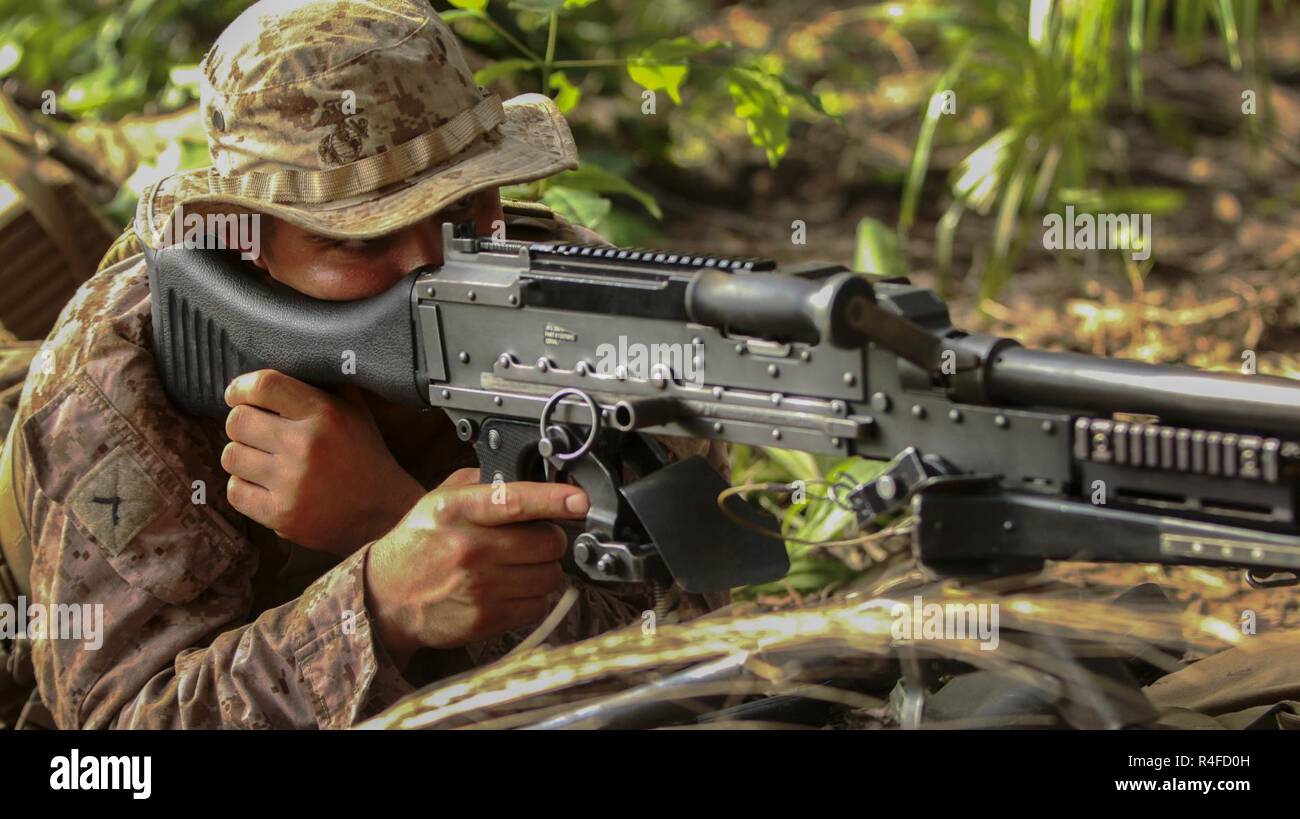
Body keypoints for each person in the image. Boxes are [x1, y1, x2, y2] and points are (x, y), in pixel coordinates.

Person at [0, 0, 723, 729]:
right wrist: (378, 600)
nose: (430, 268)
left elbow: (699, 662)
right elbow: (115, 745)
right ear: (249, 241)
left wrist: (393, 522)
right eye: (360, 240)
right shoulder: (121, 373)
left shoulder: (583, 310)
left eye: (464, 210)